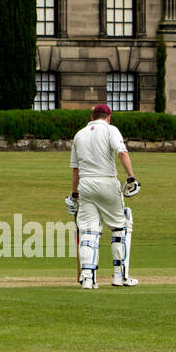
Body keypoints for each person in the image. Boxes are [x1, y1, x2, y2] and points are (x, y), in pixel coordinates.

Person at [66, 103, 141, 289]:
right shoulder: (111, 130)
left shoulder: (79, 135)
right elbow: (122, 152)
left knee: (89, 231)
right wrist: (131, 177)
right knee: (120, 227)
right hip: (107, 181)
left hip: (86, 185)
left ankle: (88, 278)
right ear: (109, 117)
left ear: (92, 117)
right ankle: (119, 276)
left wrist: (75, 194)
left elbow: (75, 169)